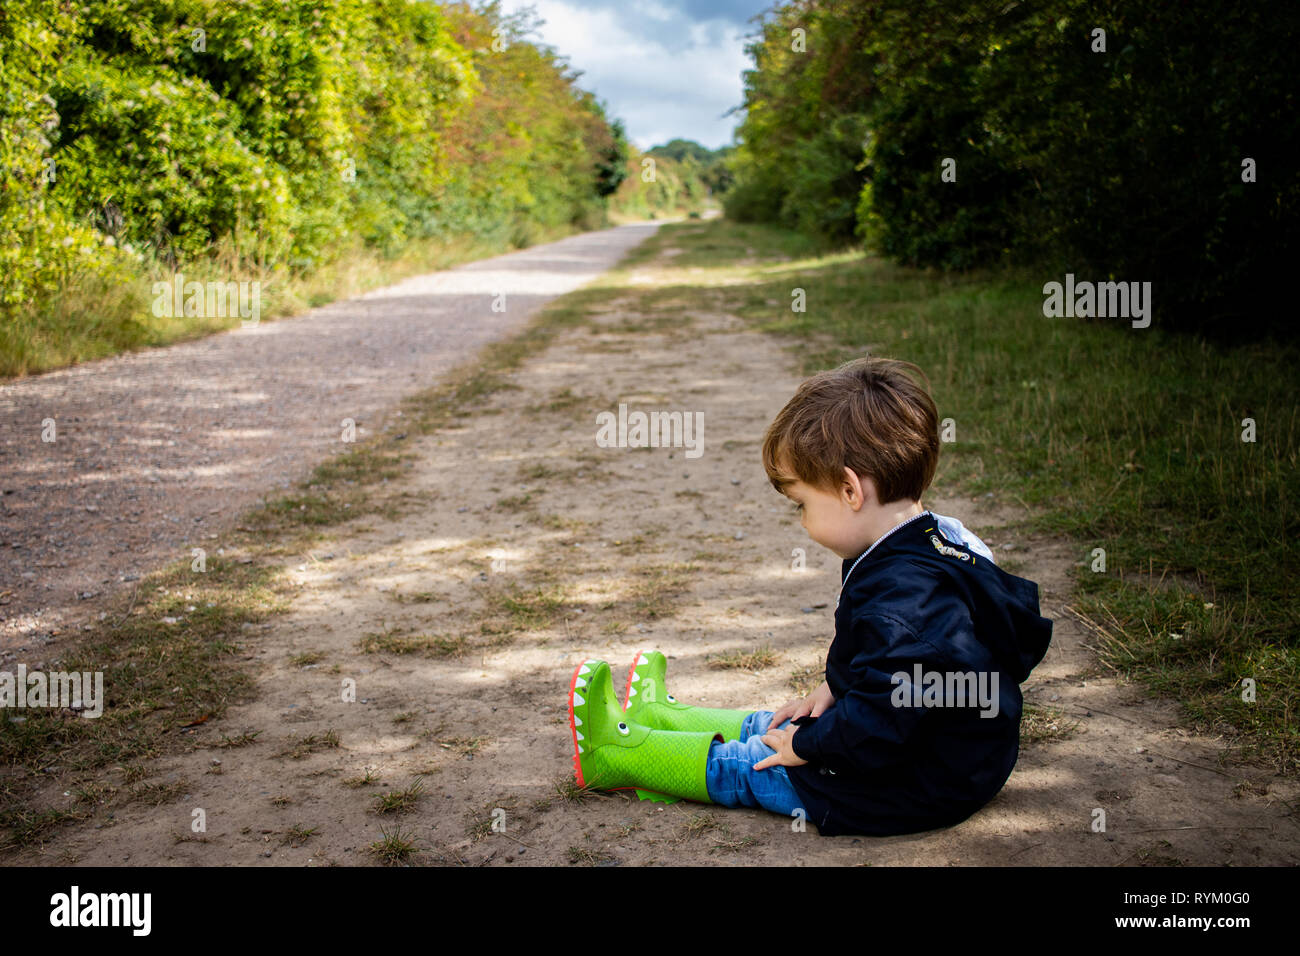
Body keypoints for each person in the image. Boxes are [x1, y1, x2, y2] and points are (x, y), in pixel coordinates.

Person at [567, 356, 1053, 835]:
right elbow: (909, 675)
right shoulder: (941, 538)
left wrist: (810, 747)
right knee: (786, 719)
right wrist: (837, 690)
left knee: (758, 762)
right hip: (943, 748)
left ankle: (617, 755)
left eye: (802, 504)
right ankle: (662, 717)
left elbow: (883, 715)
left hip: (913, 781)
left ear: (848, 490)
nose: (802, 521)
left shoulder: (903, 604)